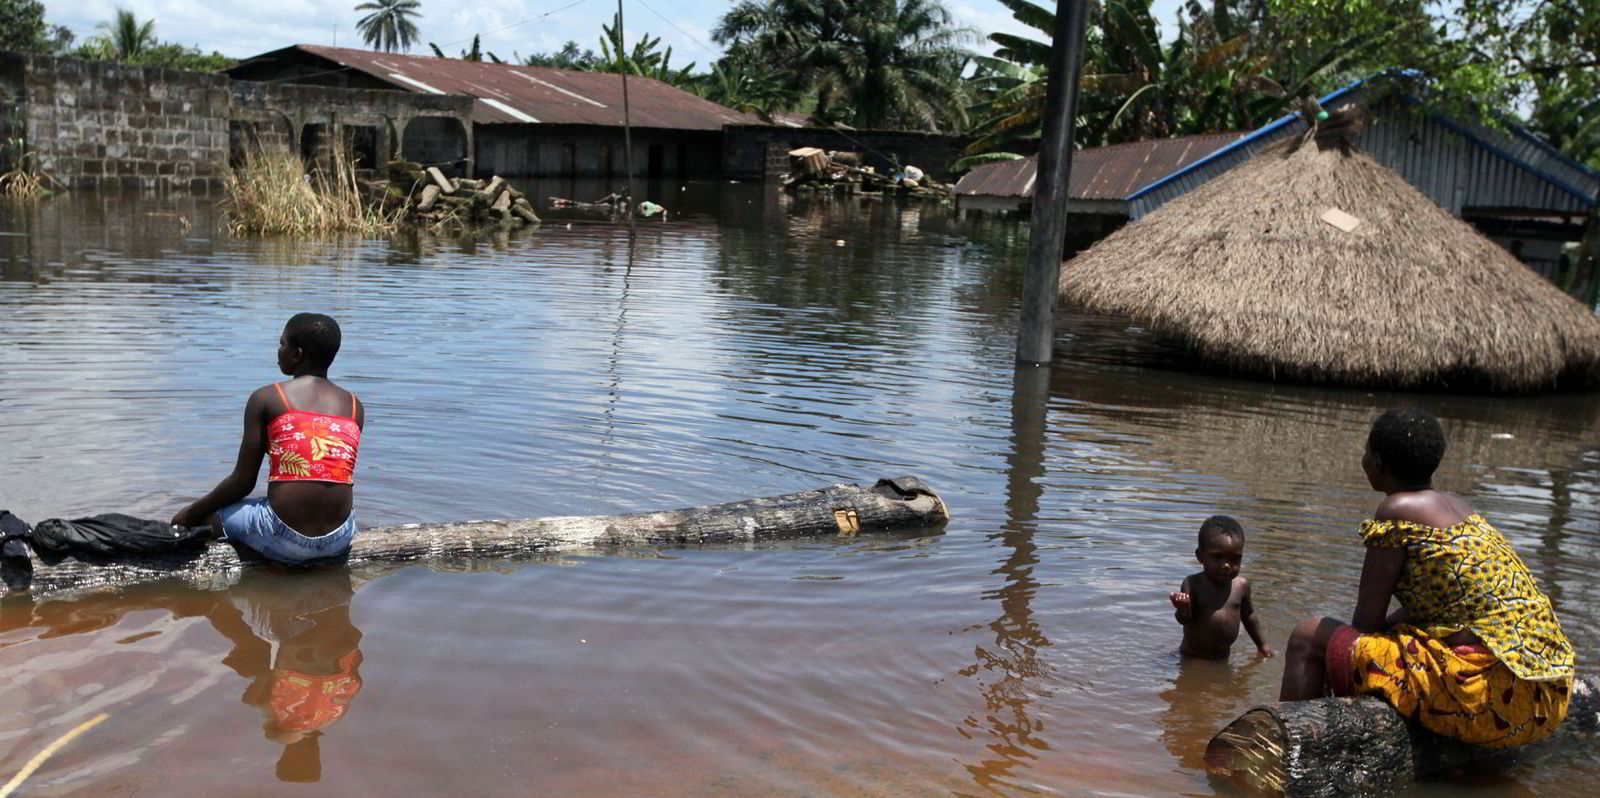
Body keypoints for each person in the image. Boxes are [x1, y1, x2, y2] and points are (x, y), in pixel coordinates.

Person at [1278, 408, 1574, 748]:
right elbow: (1442, 606)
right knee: (1400, 634)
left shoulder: (1396, 510)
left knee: (1307, 636)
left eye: (1365, 452)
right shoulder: (1460, 508)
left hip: (1490, 701)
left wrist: (1348, 649)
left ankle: (1292, 749)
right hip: (1545, 697)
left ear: (1376, 462)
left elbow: (1366, 623)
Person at [173, 313, 365, 564]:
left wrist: (189, 515)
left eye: (282, 343)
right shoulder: (354, 407)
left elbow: (242, 482)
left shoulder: (267, 398)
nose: (278, 350)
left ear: (296, 354)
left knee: (206, 520)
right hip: (340, 538)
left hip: (283, 536)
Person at [1169, 515, 1274, 659]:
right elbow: (1184, 620)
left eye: (1235, 559)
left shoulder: (1241, 586)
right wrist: (1182, 608)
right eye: (1217, 557)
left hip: (1223, 658)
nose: (1226, 565)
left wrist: (1263, 645)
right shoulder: (1192, 584)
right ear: (1200, 556)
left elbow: (1249, 616)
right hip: (1191, 657)